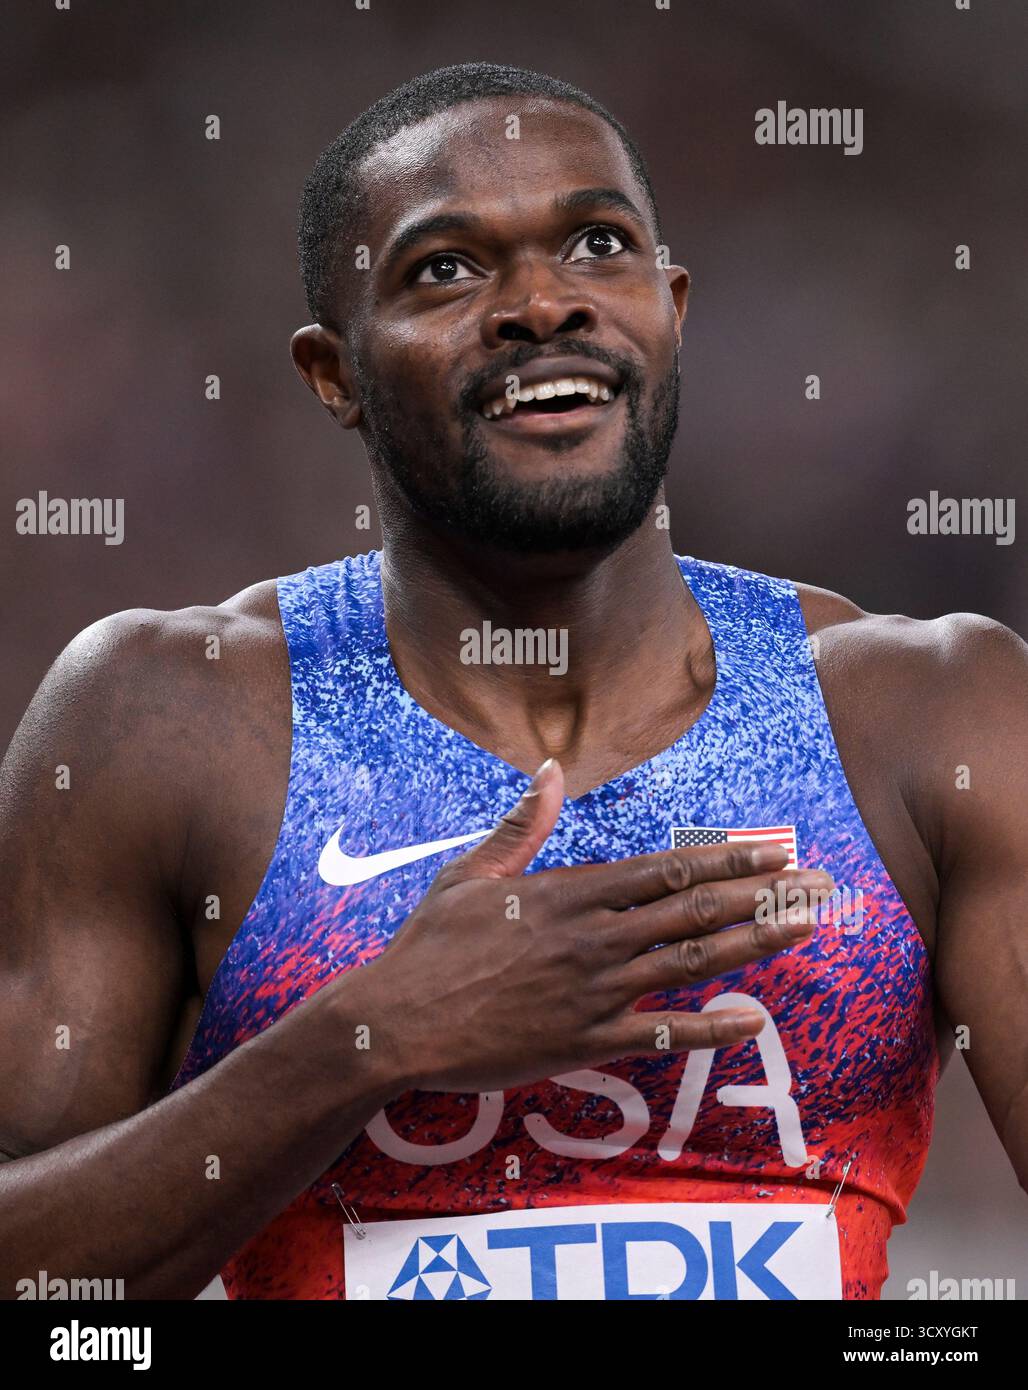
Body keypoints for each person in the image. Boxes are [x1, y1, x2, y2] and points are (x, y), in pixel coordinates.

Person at [1, 63, 1025, 1302]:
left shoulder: (930, 715)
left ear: (671, 305)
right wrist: (364, 1041)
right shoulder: (166, 717)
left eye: (598, 244)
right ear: (333, 374)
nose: (542, 304)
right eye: (444, 268)